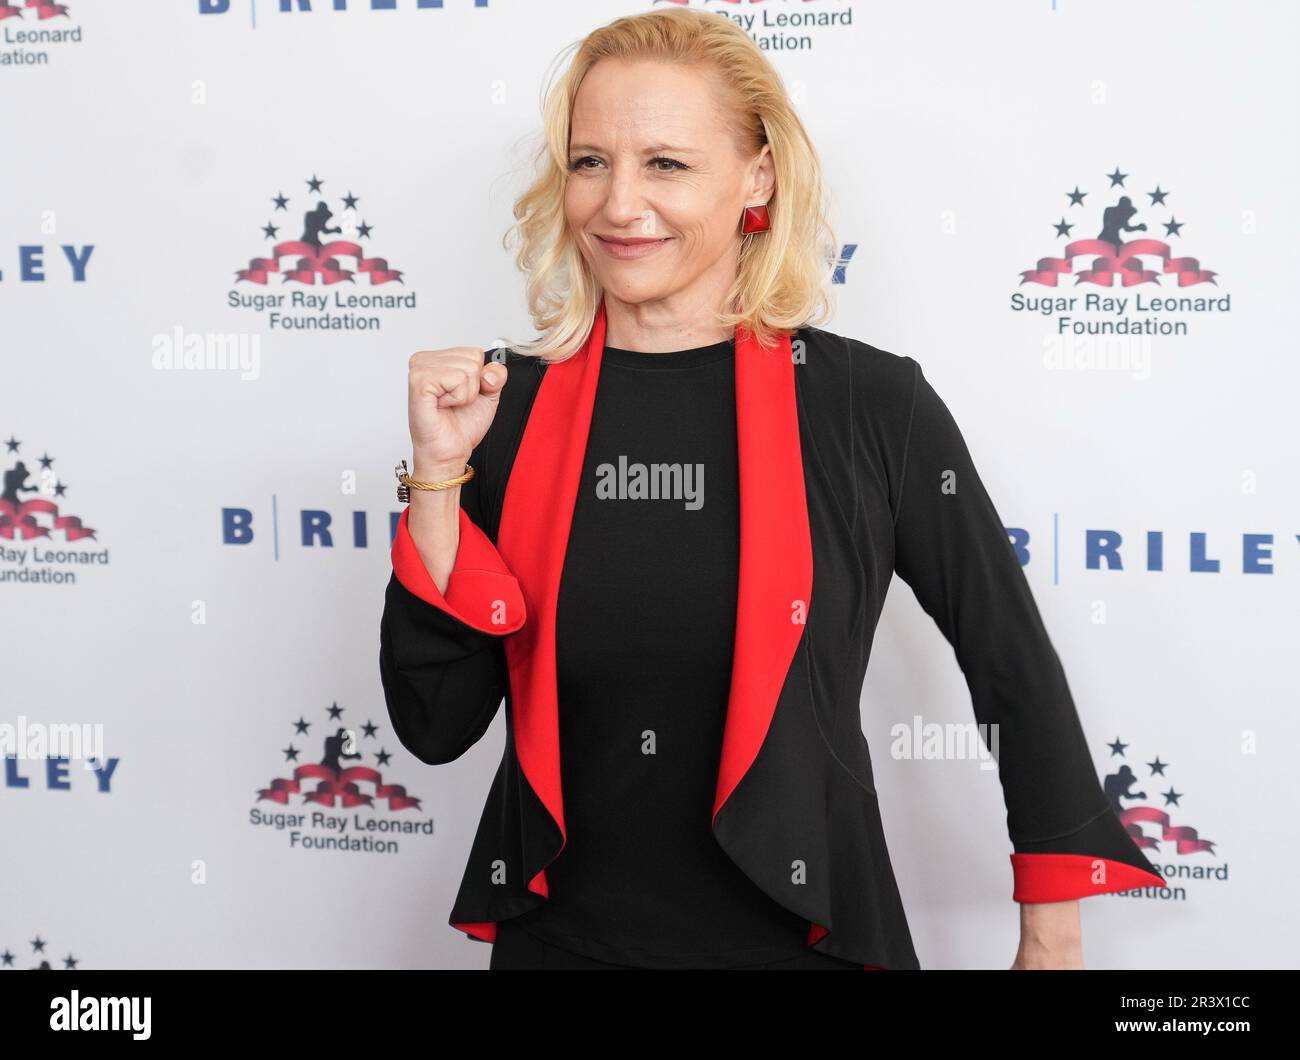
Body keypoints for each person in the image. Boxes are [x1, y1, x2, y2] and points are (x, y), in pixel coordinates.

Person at [379, 8, 1163, 971]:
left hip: (809, 941)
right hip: (563, 946)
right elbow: (434, 726)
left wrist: (1052, 933)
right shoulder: (506, 404)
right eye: (590, 162)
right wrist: (438, 479)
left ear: (757, 177)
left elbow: (1011, 663)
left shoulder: (867, 405)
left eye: (666, 163)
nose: (620, 204)